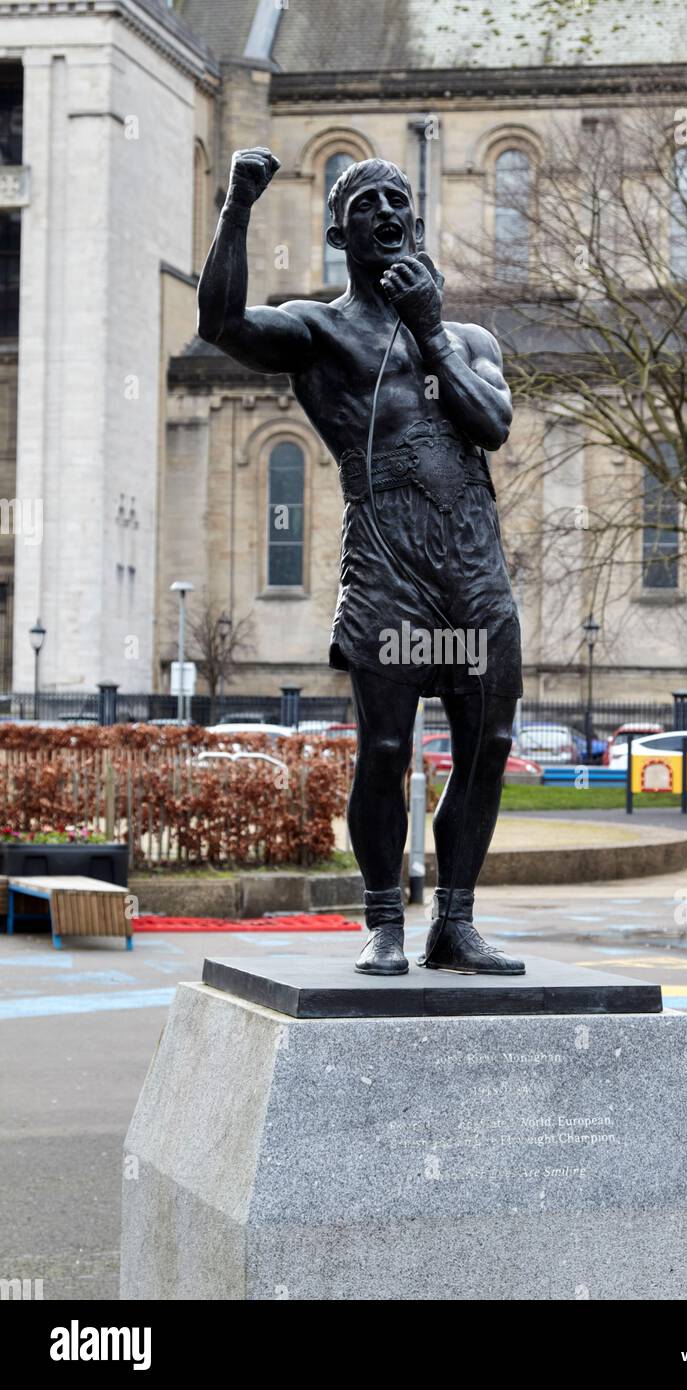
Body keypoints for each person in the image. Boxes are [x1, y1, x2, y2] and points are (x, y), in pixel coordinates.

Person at [197, 148, 524, 976]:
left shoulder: (470, 337)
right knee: (384, 750)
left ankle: (456, 922)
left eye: (397, 200)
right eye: (366, 202)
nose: (385, 211)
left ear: (413, 222)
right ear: (342, 231)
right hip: (389, 570)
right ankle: (384, 921)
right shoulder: (321, 331)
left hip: (474, 574)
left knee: (487, 747)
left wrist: (429, 333)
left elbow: (491, 426)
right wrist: (237, 208)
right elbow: (223, 326)